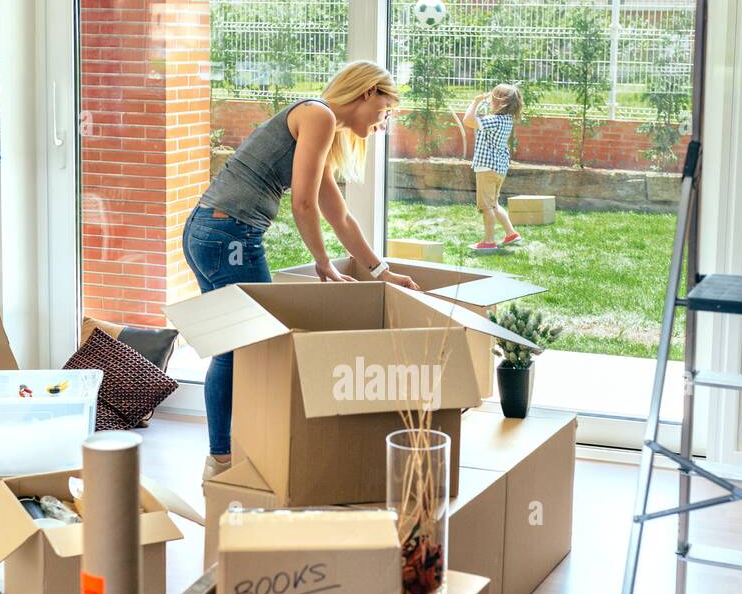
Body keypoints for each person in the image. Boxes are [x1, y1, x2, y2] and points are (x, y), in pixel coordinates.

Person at [182, 60, 419, 481]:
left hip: (213, 231)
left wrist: (381, 271)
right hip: (229, 235)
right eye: (384, 112)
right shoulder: (318, 115)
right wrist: (323, 264)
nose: (383, 124)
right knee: (245, 346)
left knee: (240, 346)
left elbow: (339, 215)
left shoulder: (318, 123)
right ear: (367, 93)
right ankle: (223, 461)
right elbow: (303, 205)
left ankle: (228, 454)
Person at [463, 84, 523, 251]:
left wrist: (475, 102)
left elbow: (468, 120)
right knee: (494, 203)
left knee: (486, 206)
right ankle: (511, 234)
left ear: (498, 103)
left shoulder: (494, 120)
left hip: (486, 168)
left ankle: (488, 242)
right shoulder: (506, 120)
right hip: (499, 168)